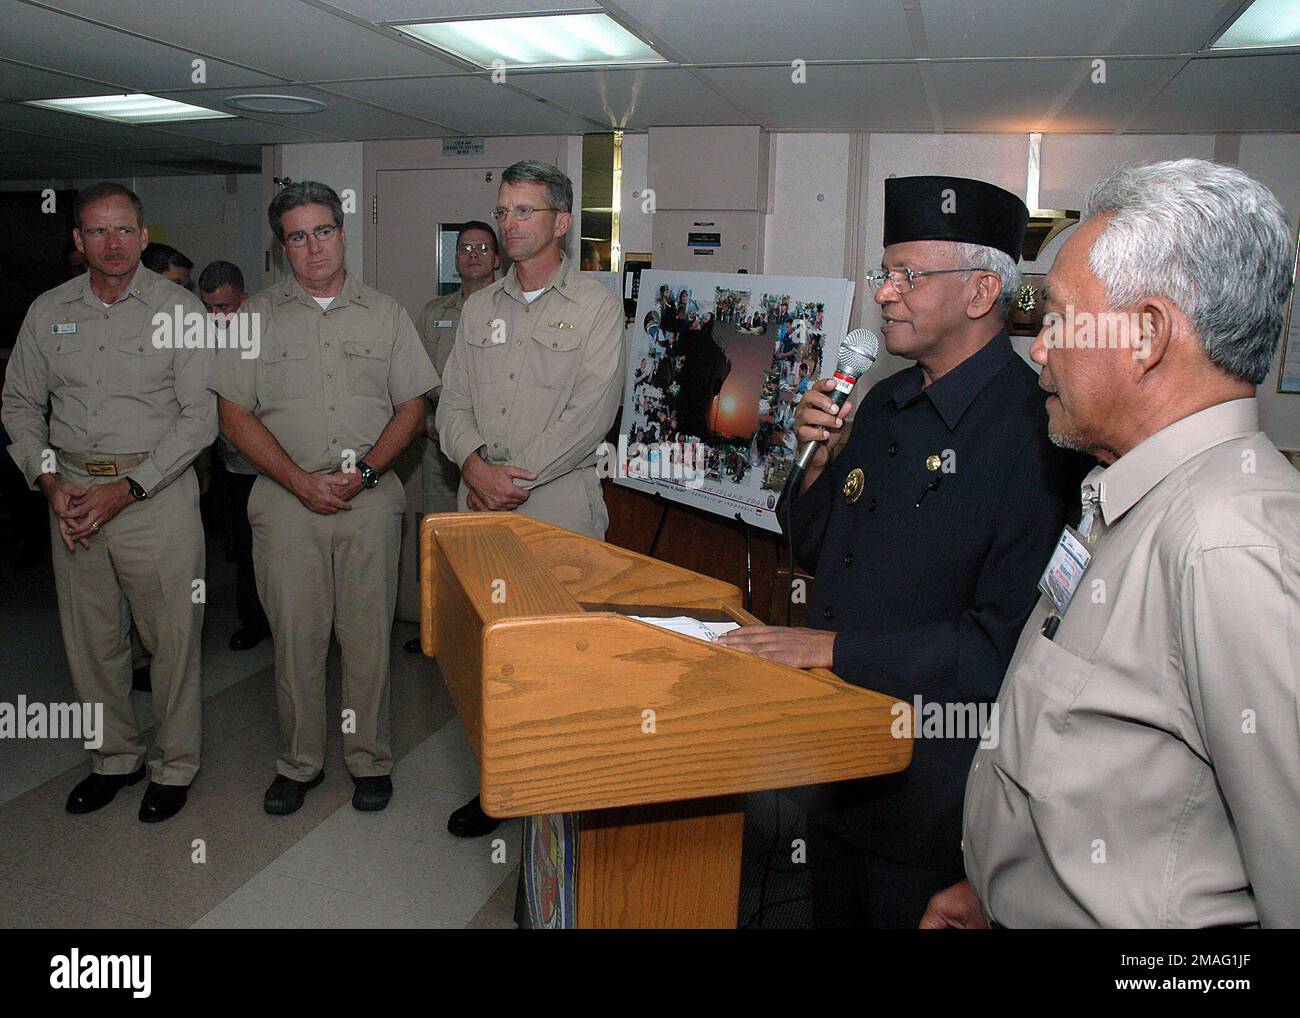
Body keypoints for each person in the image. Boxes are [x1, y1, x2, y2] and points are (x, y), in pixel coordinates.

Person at [924, 159, 1300, 929]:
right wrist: (1000, 893)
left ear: (1148, 336)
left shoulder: (1229, 549)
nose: (1039, 348)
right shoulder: (1128, 493)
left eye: (1060, 318)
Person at [719, 174, 1084, 928]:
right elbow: (817, 545)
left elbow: (999, 651)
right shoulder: (882, 400)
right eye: (884, 274)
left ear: (983, 290)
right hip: (834, 762)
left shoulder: (1036, 434)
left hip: (929, 791)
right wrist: (815, 460)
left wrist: (830, 649)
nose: (885, 294)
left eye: (907, 275)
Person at [212, 181, 437, 816]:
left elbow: (412, 406)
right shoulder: (253, 318)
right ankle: (299, 762)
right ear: (283, 246)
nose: (313, 247)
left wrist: (364, 473)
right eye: (297, 236)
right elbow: (234, 414)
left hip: (366, 498)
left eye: (323, 231)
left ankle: (369, 759)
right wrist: (297, 480)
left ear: (342, 233)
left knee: (367, 638)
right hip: (286, 501)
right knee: (297, 639)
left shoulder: (385, 314)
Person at [2, 182, 215, 823]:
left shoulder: (180, 310)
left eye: (124, 231)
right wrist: (48, 481)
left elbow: (199, 419)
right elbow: (18, 405)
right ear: (78, 241)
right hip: (70, 497)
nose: (113, 244)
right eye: (97, 232)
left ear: (143, 237)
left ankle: (173, 766)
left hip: (153, 495)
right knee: (91, 643)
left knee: (172, 640)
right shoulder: (47, 311)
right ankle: (113, 759)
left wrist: (127, 489)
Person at [436, 160, 624, 840]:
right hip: (479, 512)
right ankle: (498, 788)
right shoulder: (479, 306)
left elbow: (593, 412)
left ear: (561, 223)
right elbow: (452, 399)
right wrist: (472, 462)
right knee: (489, 660)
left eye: (524, 212)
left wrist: (513, 478)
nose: (509, 224)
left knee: (559, 661)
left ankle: (561, 788)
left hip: (555, 512)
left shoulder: (597, 308)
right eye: (504, 210)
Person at [399, 221, 501, 655]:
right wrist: (427, 425)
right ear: (454, 258)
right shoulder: (434, 311)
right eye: (464, 248)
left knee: (491, 548)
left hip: (495, 454)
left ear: (498, 259)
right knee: (441, 544)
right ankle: (438, 634)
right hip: (440, 451)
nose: (473, 254)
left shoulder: (510, 308)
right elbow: (416, 383)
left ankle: (490, 634)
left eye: (482, 248)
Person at [198, 260, 270, 651]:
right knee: (245, 547)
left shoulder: (266, 332)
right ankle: (252, 620)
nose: (216, 316)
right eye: (209, 307)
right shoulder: (199, 338)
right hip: (232, 465)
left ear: (243, 300)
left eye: (224, 307)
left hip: (272, 465)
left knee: (278, 547)